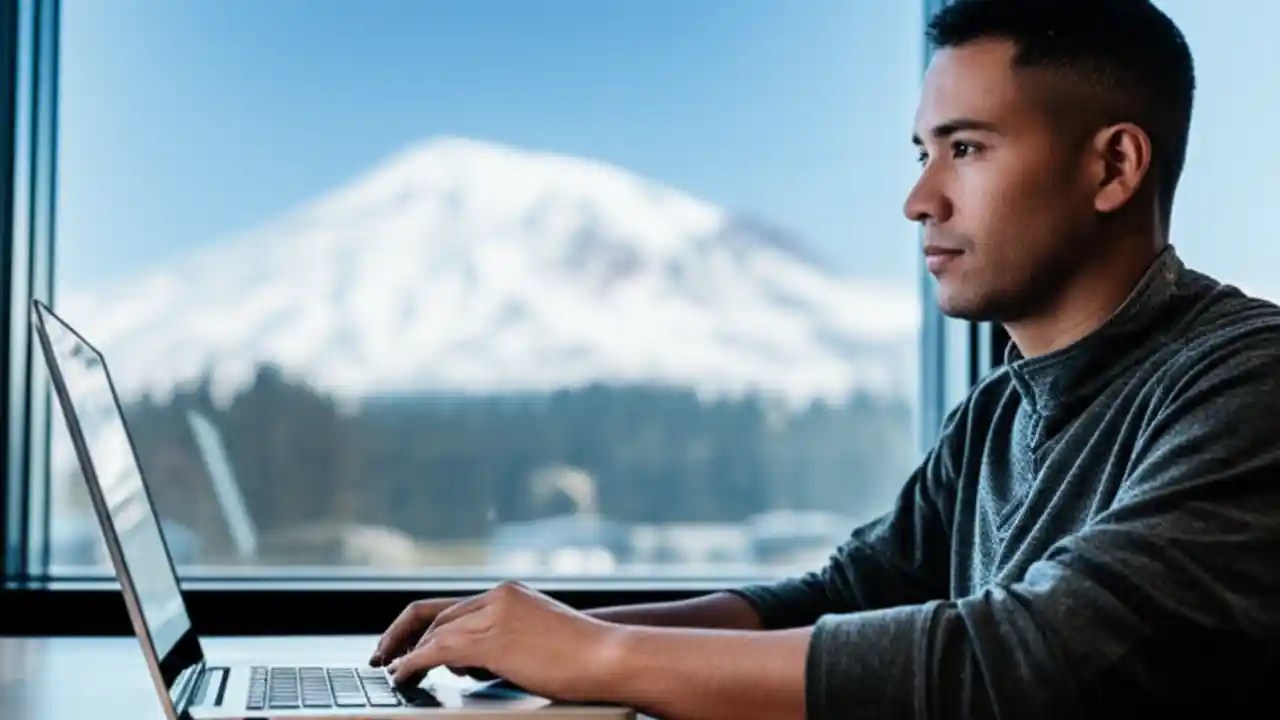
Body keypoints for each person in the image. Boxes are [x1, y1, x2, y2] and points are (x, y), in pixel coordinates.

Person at [369, 1, 1280, 717]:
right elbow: (839, 597)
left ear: (1113, 167)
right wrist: (536, 629)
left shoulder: (1246, 382)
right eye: (924, 152)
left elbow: (1033, 661)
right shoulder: (997, 414)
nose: (919, 199)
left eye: (965, 148)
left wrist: (601, 659)